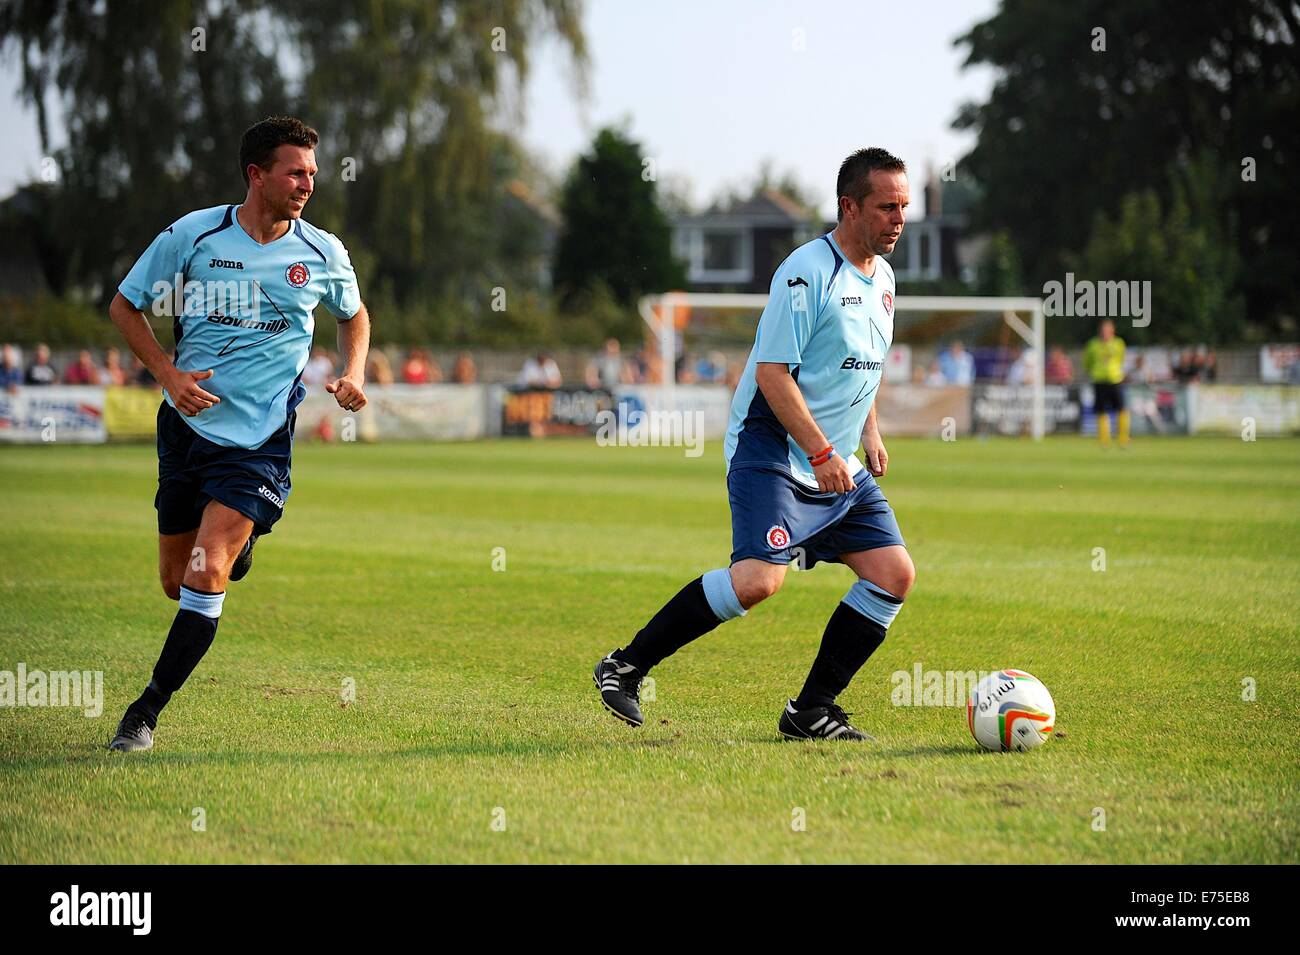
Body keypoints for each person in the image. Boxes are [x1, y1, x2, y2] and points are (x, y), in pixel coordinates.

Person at [593, 147, 915, 741]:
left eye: (903, 206)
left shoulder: (886, 277)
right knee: (757, 582)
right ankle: (625, 666)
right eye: (886, 207)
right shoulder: (806, 272)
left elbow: (858, 364)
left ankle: (810, 710)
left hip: (834, 461)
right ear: (849, 206)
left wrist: (867, 430)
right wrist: (820, 452)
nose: (899, 219)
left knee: (893, 574)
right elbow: (773, 375)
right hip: (772, 448)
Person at [104, 116, 370, 752]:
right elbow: (124, 305)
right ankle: (238, 549)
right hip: (187, 433)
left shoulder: (321, 251)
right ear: (257, 174)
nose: (308, 182)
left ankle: (144, 713)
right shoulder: (193, 236)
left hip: (260, 440)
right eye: (295, 171)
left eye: (312, 171)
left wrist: (353, 371)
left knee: (206, 571)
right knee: (175, 579)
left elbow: (354, 315)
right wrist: (167, 375)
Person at [1083, 319, 1128, 448]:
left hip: (1115, 380)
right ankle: (1104, 440)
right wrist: (1095, 372)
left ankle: (1123, 439)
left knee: (1121, 408)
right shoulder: (1093, 344)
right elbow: (1087, 362)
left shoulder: (1119, 344)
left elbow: (1121, 359)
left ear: (1112, 331)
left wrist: (1115, 371)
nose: (1105, 333)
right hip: (1099, 380)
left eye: (1107, 330)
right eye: (1103, 330)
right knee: (1101, 410)